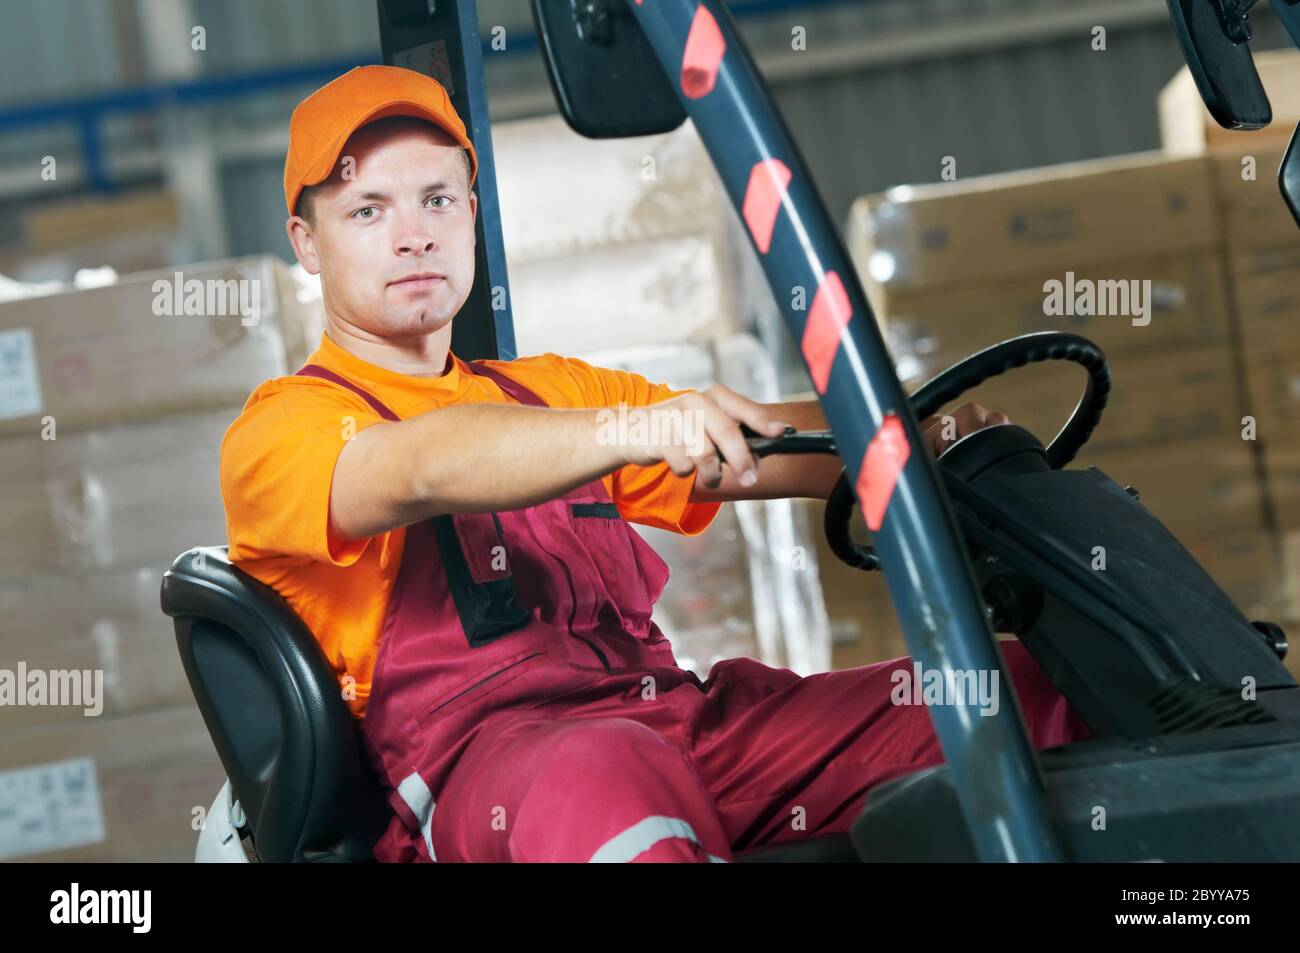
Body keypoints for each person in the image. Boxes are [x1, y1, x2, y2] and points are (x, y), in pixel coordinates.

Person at [220, 65, 1088, 863]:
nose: (413, 236)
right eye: (368, 210)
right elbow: (414, 468)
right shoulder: (283, 429)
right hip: (490, 778)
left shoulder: (549, 391)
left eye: (438, 199)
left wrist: (926, 440)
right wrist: (629, 430)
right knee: (606, 769)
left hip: (680, 726)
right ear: (307, 242)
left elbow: (754, 445)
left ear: (473, 217)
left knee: (1009, 687)